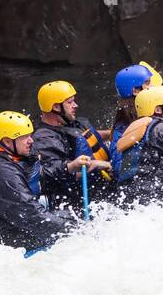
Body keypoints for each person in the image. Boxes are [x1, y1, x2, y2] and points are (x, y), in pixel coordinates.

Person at [0, 111, 73, 251]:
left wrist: (68, 168)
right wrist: (73, 234)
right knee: (67, 230)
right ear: (7, 141)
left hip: (8, 221)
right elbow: (30, 215)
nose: (31, 140)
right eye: (25, 137)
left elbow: (36, 176)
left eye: (30, 135)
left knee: (68, 215)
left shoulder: (8, 153)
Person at [30, 80, 112, 212]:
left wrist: (110, 134)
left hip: (98, 190)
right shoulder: (44, 139)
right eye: (69, 102)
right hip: (75, 204)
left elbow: (83, 136)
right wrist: (96, 164)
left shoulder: (66, 122)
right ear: (56, 107)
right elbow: (57, 176)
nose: (75, 105)